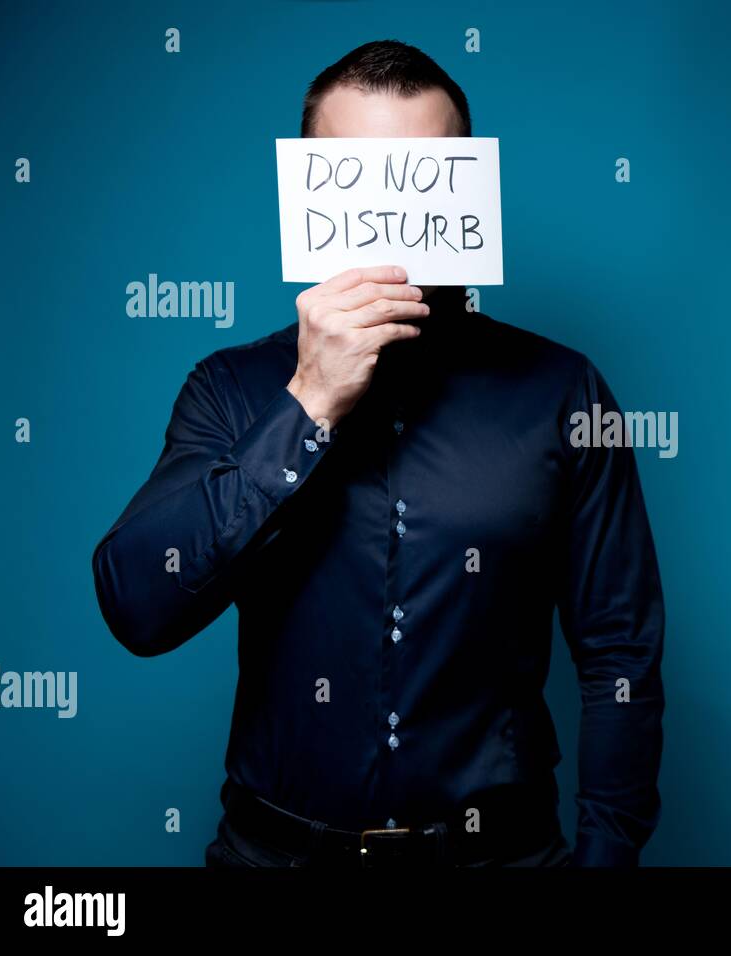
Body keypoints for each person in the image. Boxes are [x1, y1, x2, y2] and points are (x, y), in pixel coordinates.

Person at [92, 40, 665, 868]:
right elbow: (136, 606)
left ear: (468, 191)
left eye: (425, 180)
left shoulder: (563, 392)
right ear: (309, 197)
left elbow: (620, 650)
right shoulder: (232, 389)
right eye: (359, 182)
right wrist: (310, 403)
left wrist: (607, 859)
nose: (395, 227)